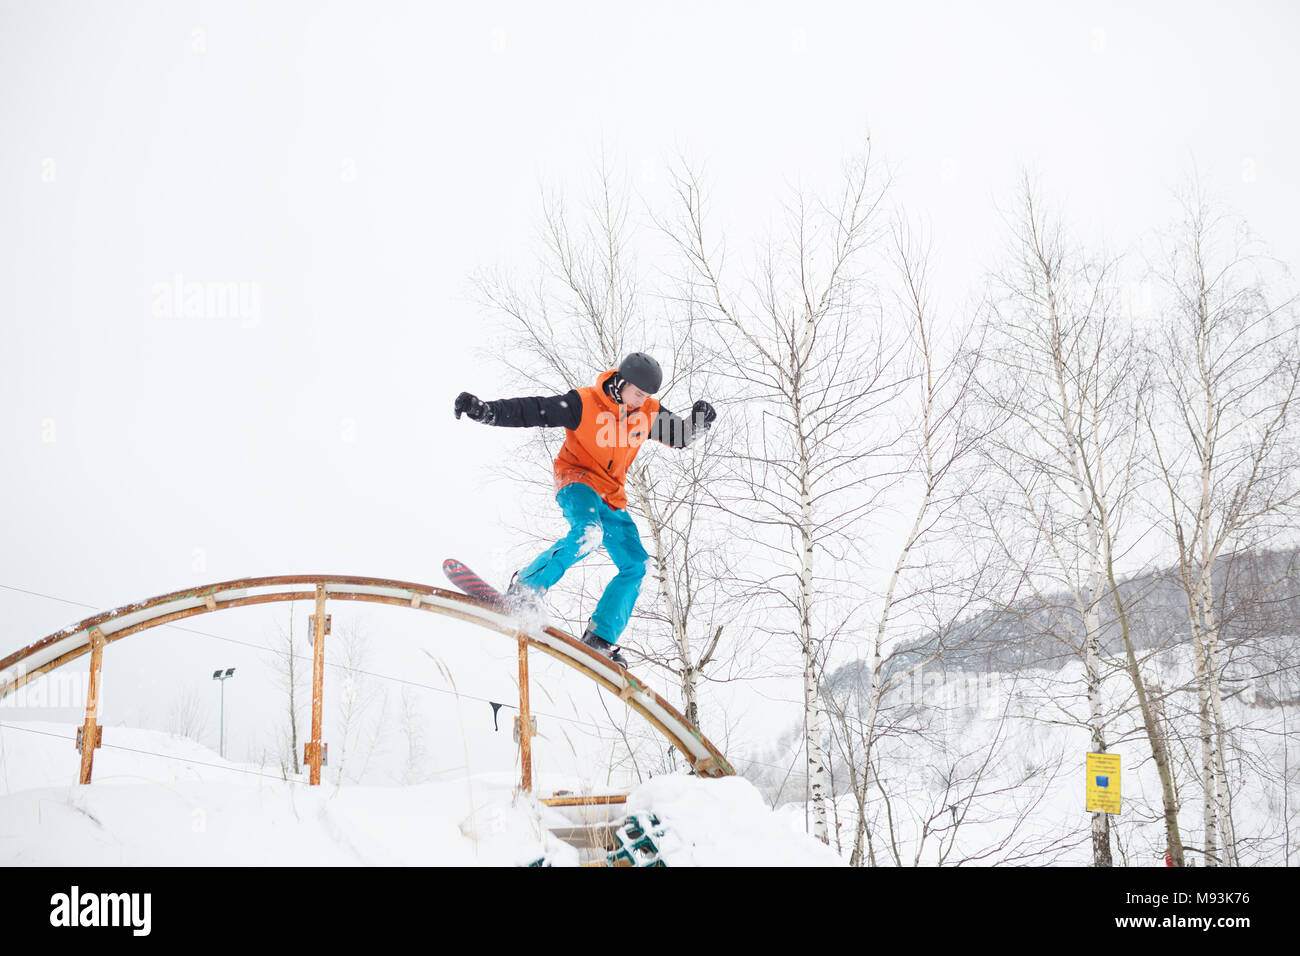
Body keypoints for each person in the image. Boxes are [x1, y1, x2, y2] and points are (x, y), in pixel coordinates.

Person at [454, 352, 716, 666]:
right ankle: (524, 589)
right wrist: (486, 411)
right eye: (637, 393)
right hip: (577, 481)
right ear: (621, 381)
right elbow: (533, 410)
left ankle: (599, 637)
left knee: (638, 565)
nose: (640, 401)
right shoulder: (584, 403)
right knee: (589, 534)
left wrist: (700, 423)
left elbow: (681, 436)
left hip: (611, 497)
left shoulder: (648, 413)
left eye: (646, 397)